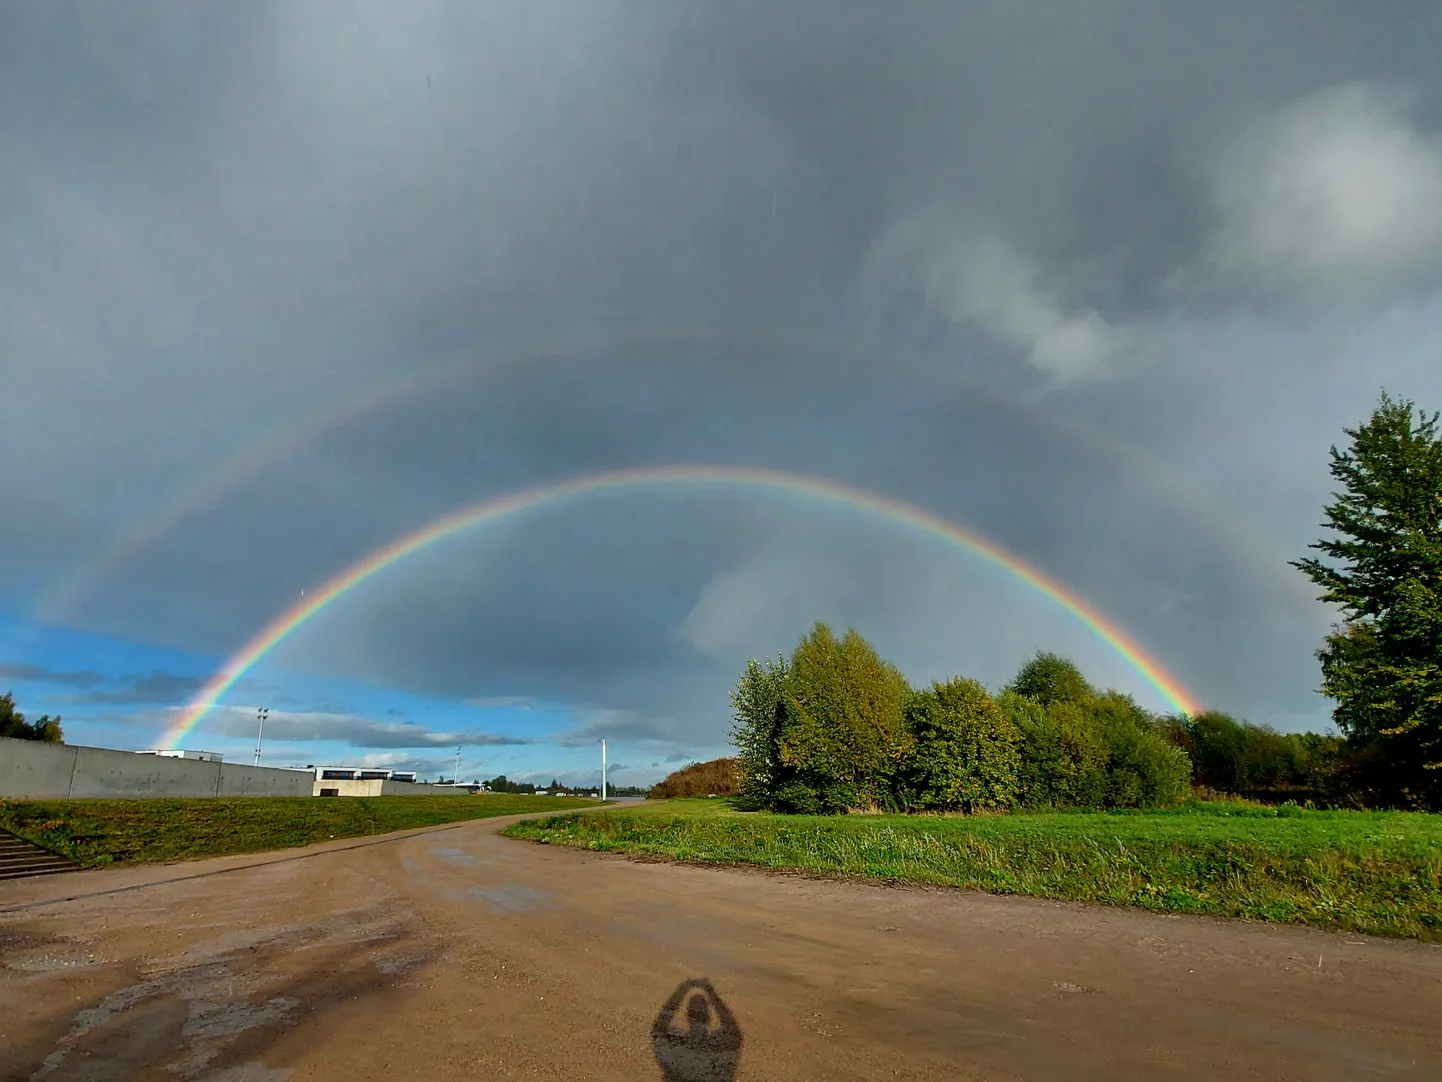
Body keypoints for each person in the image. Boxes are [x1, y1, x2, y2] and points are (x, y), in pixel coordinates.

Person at [651, 978, 742, 1082]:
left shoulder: (677, 1045)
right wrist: (712, 995)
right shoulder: (717, 1046)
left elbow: (659, 1028)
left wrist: (682, 990)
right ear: (709, 1017)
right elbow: (733, 1031)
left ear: (687, 1015)